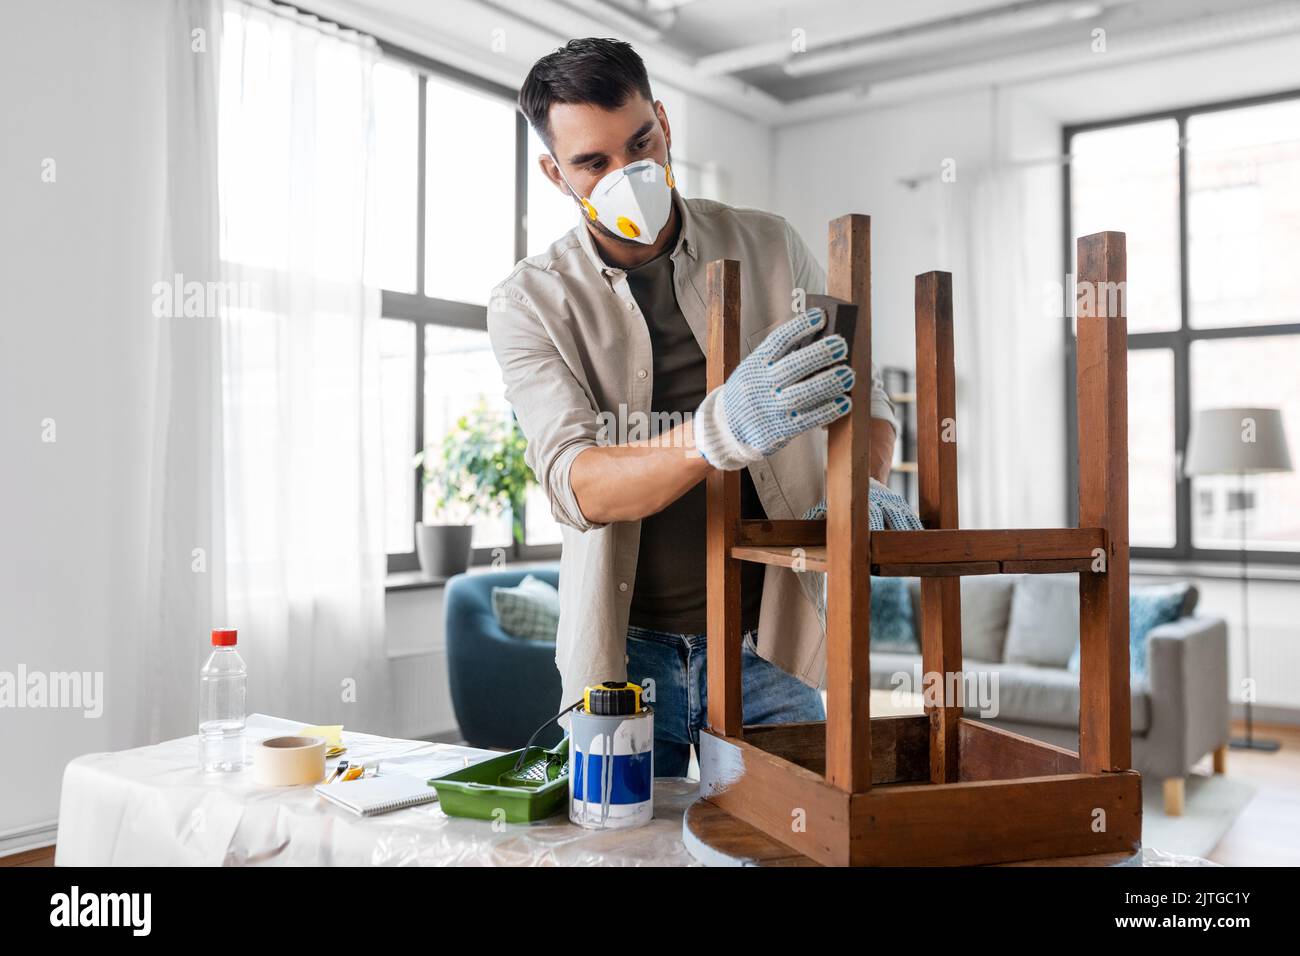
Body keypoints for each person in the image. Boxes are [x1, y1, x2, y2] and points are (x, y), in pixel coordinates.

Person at [488, 38, 920, 776]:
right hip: (622, 660)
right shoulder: (531, 302)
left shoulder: (768, 246)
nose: (628, 175)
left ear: (662, 120)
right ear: (555, 173)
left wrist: (867, 481)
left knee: (787, 846)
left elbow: (865, 398)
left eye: (641, 142)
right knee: (619, 853)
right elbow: (577, 482)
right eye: (593, 163)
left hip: (771, 643)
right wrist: (717, 431)